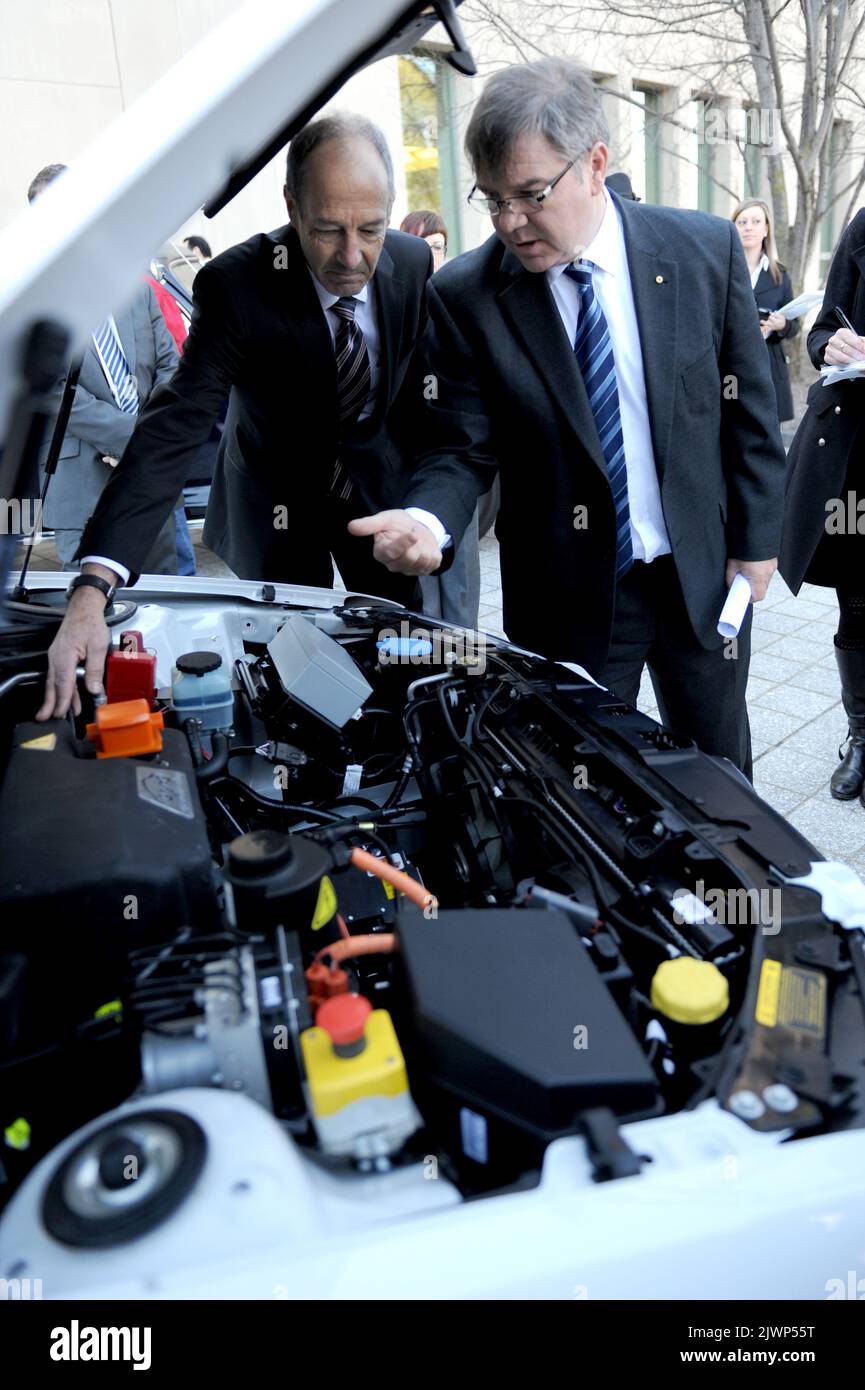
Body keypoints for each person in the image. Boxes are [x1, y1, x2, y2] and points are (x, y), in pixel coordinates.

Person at [351, 58, 788, 778]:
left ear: (593, 165)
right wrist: (427, 523)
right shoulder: (466, 295)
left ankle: (724, 891)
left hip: (699, 579)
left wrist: (756, 540)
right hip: (570, 594)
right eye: (491, 200)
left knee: (720, 780)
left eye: (529, 195)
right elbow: (460, 448)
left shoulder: (700, 251)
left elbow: (748, 412)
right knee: (579, 784)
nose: (510, 224)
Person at [36, 114, 435, 720]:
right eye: (327, 229)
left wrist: (427, 506)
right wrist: (94, 584)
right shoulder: (238, 282)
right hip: (275, 499)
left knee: (393, 657)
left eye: (371, 229)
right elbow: (176, 422)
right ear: (292, 206)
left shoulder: (411, 262)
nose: (352, 256)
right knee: (281, 664)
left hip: (374, 497)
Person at [27, 164, 179, 575]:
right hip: (83, 485)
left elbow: (170, 366)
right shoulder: (35, 299)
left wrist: (150, 436)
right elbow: (53, 390)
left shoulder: (133, 288)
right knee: (90, 610)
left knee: (164, 600)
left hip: (149, 480)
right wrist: (132, 436)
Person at [779, 209, 865, 804]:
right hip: (855, 453)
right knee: (857, 602)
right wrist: (828, 343)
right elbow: (821, 328)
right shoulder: (864, 225)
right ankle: (861, 737)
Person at [400, 208, 480, 630]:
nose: (433, 257)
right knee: (419, 581)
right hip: (406, 459)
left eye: (439, 248)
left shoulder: (456, 298)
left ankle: (464, 654)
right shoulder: (397, 300)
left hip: (453, 454)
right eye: (424, 248)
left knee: (460, 571)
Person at [732, 198, 799, 423]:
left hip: (769, 364)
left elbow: (794, 327)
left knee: (767, 434)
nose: (748, 227)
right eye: (741, 222)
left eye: (755, 221)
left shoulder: (780, 275)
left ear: (766, 228)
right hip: (731, 365)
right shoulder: (723, 270)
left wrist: (781, 325)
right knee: (729, 428)